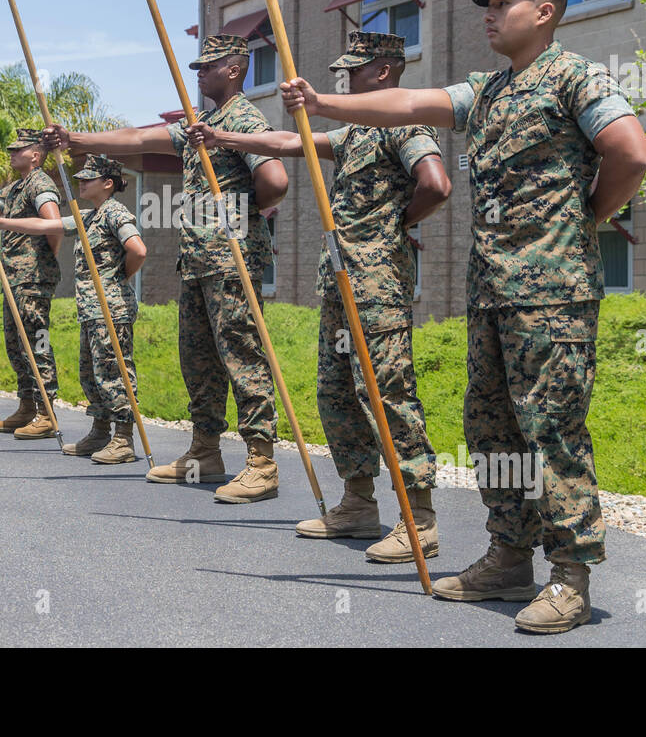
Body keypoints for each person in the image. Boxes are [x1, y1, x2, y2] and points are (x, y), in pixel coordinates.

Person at [279, 0, 646, 633]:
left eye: (502, 3)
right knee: (493, 428)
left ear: (544, 10)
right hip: (492, 293)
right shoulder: (489, 90)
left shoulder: (575, 77)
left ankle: (570, 575)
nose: (488, 14)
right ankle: (509, 556)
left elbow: (630, 152)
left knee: (551, 433)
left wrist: (586, 218)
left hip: (553, 297)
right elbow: (411, 102)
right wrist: (325, 102)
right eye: (486, 3)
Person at [188, 30, 450, 560]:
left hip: (376, 284)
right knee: (338, 394)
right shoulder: (355, 133)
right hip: (337, 282)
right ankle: (358, 502)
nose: (345, 78)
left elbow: (436, 184)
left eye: (354, 70)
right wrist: (226, 141)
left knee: (386, 393)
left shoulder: (404, 124)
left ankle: (418, 518)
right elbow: (289, 142)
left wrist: (393, 227)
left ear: (382, 71)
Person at [43, 34, 289, 502]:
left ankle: (261, 461)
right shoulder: (203, 125)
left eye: (208, 65)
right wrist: (75, 139)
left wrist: (235, 219)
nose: (198, 73)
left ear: (235, 69)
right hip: (196, 265)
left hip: (230, 262)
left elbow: (274, 181)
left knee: (242, 358)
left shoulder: (245, 119)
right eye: (195, 67)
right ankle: (206, 451)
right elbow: (138, 137)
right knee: (199, 361)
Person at [0, 154, 145, 463]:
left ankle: (123, 438)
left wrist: (119, 277)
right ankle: (99, 431)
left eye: (89, 178)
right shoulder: (89, 216)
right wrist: (1, 222)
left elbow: (138, 249)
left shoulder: (114, 213)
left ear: (107, 183)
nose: (81, 182)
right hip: (90, 309)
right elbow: (47, 224)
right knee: (91, 373)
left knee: (113, 372)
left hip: (110, 308)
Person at [0, 129, 62, 439]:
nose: (12, 153)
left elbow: (53, 224)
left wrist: (44, 260)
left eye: (19, 150)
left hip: (33, 279)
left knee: (36, 342)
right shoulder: (15, 188)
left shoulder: (40, 183)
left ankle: (46, 411)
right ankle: (27, 405)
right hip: (14, 278)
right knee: (16, 345)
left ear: (36, 155)